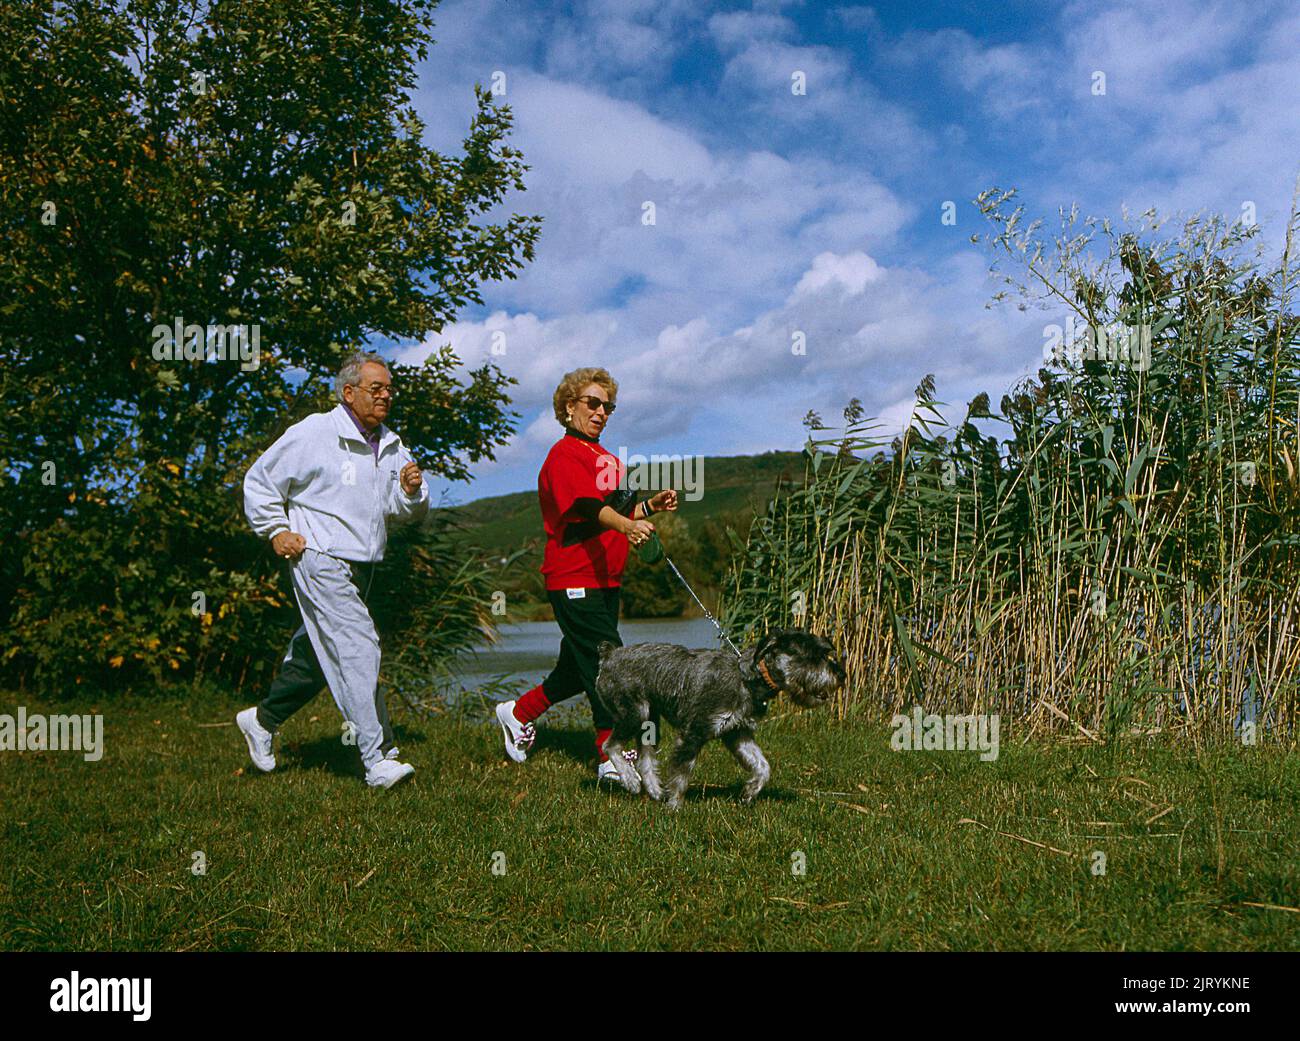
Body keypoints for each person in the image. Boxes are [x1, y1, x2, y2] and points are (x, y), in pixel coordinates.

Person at [235, 351, 429, 788]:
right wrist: (275, 531)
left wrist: (412, 492)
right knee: (358, 648)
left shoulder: (392, 444)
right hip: (318, 556)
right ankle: (378, 757)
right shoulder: (315, 432)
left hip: (366, 566)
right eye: (375, 389)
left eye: (389, 389)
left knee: (317, 658)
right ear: (348, 392)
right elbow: (260, 481)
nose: (385, 396)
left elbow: (404, 512)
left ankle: (262, 721)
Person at [494, 367, 678, 786]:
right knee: (609, 663)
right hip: (572, 576)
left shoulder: (608, 459)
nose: (601, 412)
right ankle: (609, 757)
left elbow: (614, 511)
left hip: (606, 579)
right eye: (592, 403)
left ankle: (517, 713)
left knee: (579, 668)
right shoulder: (564, 456)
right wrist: (627, 526)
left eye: (607, 406)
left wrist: (649, 508)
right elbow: (584, 509)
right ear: (568, 406)